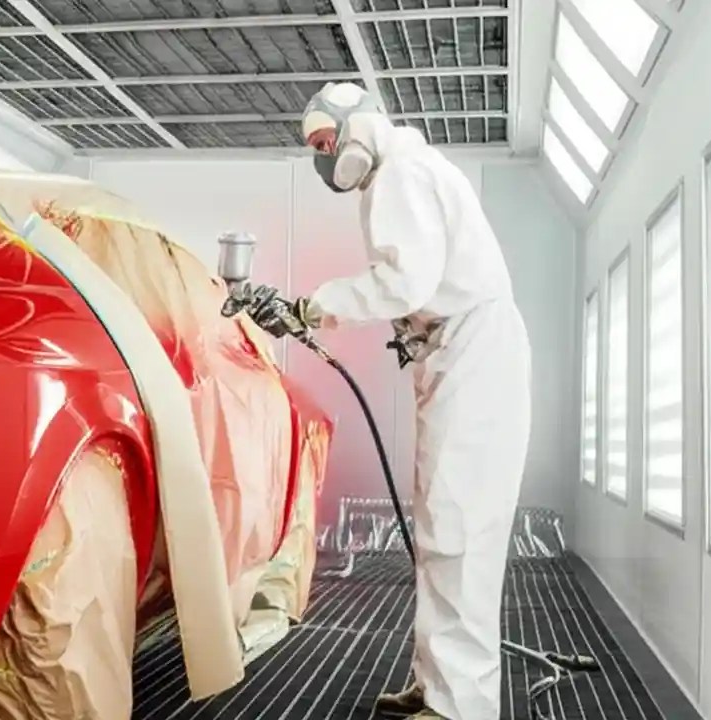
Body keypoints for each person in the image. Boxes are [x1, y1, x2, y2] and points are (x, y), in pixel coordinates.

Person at [244, 82, 532, 720]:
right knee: (438, 530)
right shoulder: (400, 174)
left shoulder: (403, 172)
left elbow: (406, 281)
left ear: (359, 127)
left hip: (472, 356)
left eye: (326, 142)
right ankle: (436, 685)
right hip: (453, 354)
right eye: (317, 149)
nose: (325, 159)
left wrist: (312, 307)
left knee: (458, 532)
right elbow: (417, 287)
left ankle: (461, 707)